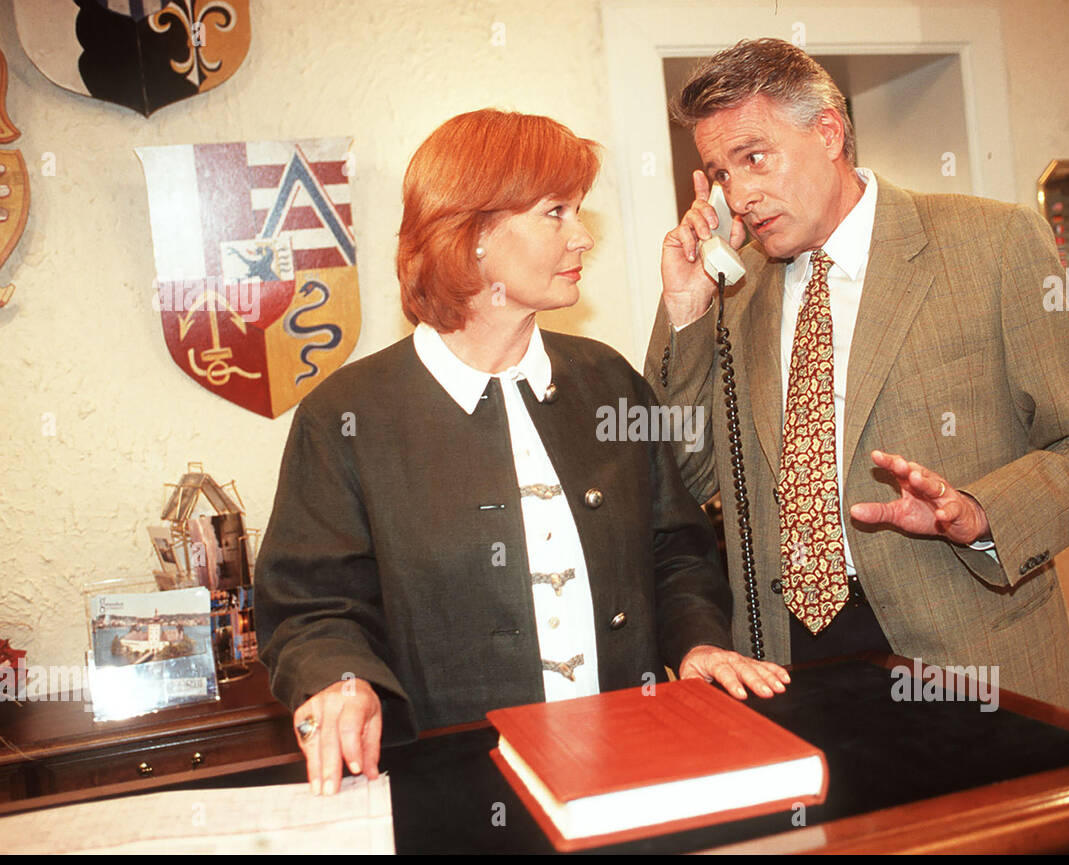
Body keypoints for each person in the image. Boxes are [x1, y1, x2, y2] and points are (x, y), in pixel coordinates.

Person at [255, 109, 789, 796]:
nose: (583, 237)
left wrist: (697, 643)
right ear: (473, 233)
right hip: (458, 787)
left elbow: (676, 550)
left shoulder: (605, 379)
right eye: (556, 212)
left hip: (635, 765)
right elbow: (312, 607)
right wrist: (338, 680)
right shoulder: (346, 415)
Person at [645, 39, 1069, 711]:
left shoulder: (991, 245)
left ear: (828, 132)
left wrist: (980, 512)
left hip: (963, 649)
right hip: (788, 657)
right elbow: (683, 476)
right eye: (720, 173)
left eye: (753, 157)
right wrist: (685, 309)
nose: (741, 193)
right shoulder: (733, 290)